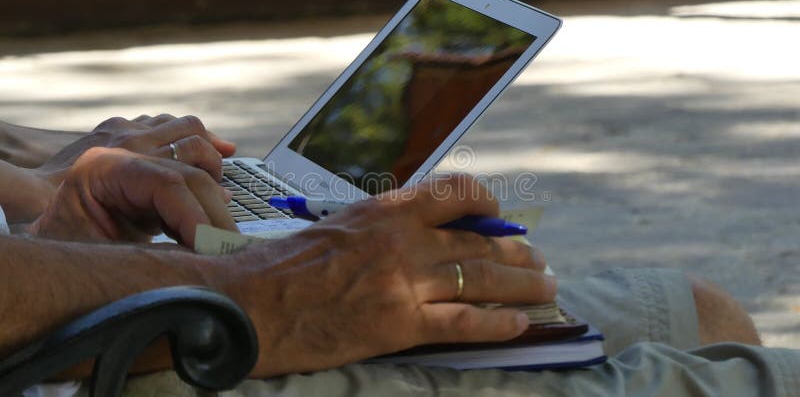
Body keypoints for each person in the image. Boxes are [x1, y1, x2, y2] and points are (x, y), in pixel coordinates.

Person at [1, 116, 797, 397]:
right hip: (84, 358)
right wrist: (269, 290)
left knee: (700, 311)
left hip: (55, 287)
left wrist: (39, 176)